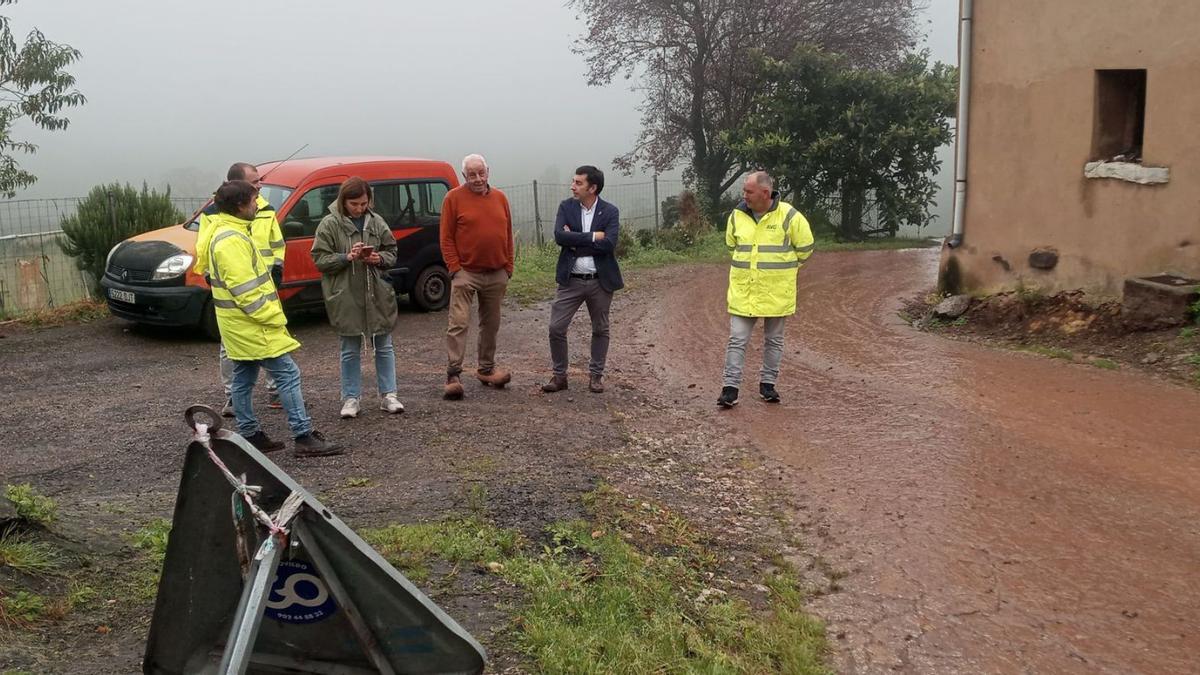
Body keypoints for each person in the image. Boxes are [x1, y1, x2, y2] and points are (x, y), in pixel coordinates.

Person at [206, 179, 343, 457]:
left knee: (244, 377)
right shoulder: (230, 240)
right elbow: (245, 291)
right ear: (239, 205)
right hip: (253, 325)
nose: (258, 204)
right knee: (288, 374)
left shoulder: (227, 232)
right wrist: (272, 318)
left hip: (238, 325)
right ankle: (303, 436)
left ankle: (250, 434)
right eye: (254, 200)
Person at [194, 162, 286, 416]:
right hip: (234, 289)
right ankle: (233, 398)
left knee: (271, 341)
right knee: (232, 347)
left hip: (265, 284)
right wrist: (210, 275)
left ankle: (275, 393)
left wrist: (277, 267)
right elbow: (204, 247)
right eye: (255, 182)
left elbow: (277, 242)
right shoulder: (214, 214)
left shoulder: (265, 208)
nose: (260, 185)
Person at [717, 171, 815, 408]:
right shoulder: (736, 216)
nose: (744, 196)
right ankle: (730, 389)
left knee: (774, 340)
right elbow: (732, 245)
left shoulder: (790, 216)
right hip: (745, 291)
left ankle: (768, 385)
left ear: (765, 193)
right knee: (737, 340)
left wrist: (782, 272)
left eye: (748, 191)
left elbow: (806, 249)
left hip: (776, 292)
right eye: (744, 191)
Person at [310, 177, 405, 418]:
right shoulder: (329, 224)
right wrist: (346, 257)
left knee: (383, 344)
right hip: (345, 294)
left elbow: (392, 251)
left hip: (377, 292)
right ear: (343, 201)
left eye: (364, 203)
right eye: (354, 204)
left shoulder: (376, 221)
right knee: (349, 348)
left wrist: (379, 259)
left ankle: (389, 396)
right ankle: (351, 398)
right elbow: (320, 260)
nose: (360, 208)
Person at [439, 154, 515, 399]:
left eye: (481, 173)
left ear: (488, 172)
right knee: (458, 322)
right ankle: (453, 374)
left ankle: (486, 369)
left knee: (491, 324)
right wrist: (455, 268)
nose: (477, 179)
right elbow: (446, 237)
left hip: (496, 272)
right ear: (464, 176)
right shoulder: (453, 198)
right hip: (466, 273)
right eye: (472, 174)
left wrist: (508, 267)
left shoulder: (501, 198)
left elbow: (508, 233)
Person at [541, 165, 623, 394]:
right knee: (556, 327)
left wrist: (576, 242)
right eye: (573, 181)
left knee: (601, 329)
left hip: (600, 281)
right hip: (571, 280)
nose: (572, 186)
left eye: (578, 183)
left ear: (592, 187)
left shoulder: (610, 211)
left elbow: (609, 244)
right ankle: (560, 377)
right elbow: (559, 236)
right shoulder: (566, 207)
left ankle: (596, 376)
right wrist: (592, 237)